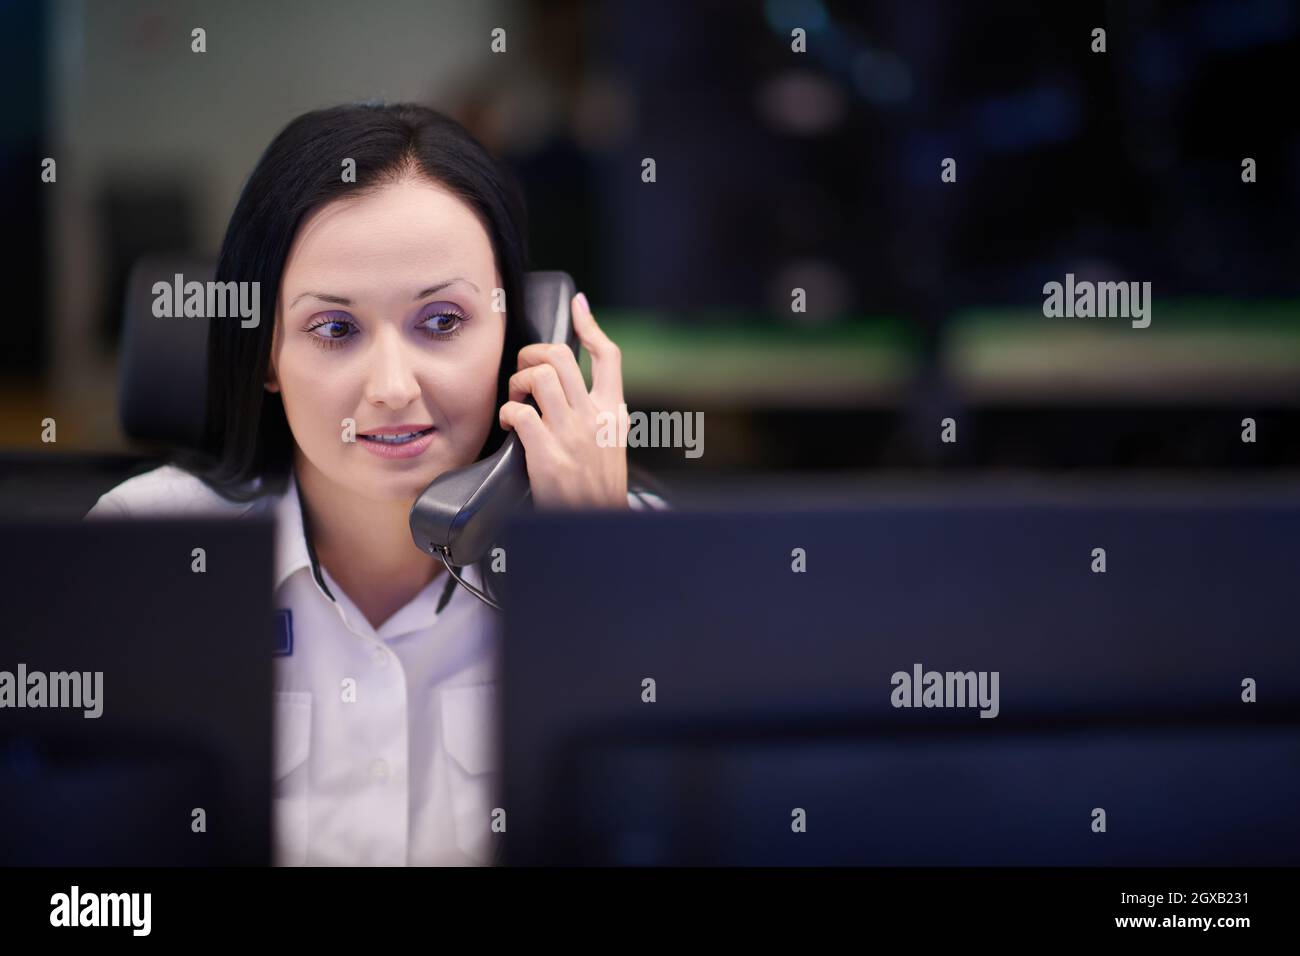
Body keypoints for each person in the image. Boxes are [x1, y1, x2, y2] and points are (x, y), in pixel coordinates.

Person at [86, 103, 667, 866]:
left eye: (442, 321)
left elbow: (671, 832)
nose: (392, 387)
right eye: (334, 329)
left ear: (522, 339)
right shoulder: (148, 544)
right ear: (264, 353)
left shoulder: (633, 543)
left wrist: (589, 572)